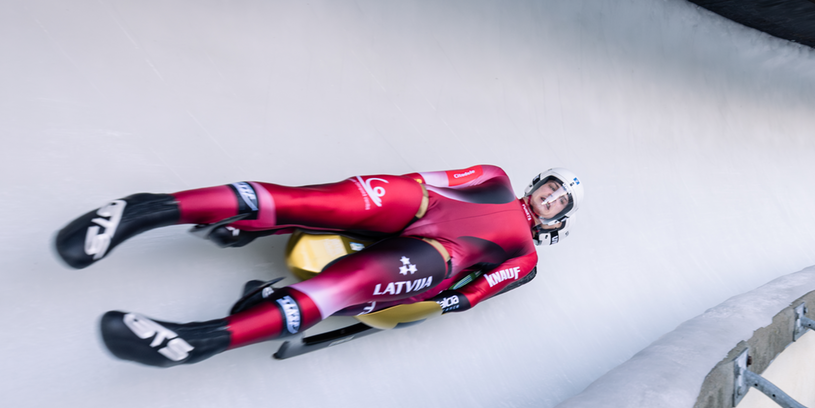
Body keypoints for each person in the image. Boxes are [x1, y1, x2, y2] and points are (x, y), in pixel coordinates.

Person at [54, 165, 582, 366]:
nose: (549, 199)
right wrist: (388, 197)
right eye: (551, 189)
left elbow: (476, 293)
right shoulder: (494, 175)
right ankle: (146, 208)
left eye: (559, 202)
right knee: (314, 204)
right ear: (538, 182)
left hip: (440, 257)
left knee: (346, 283)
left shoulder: (527, 257)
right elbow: (430, 177)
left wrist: (432, 301)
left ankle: (202, 340)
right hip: (420, 202)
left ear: (557, 221)